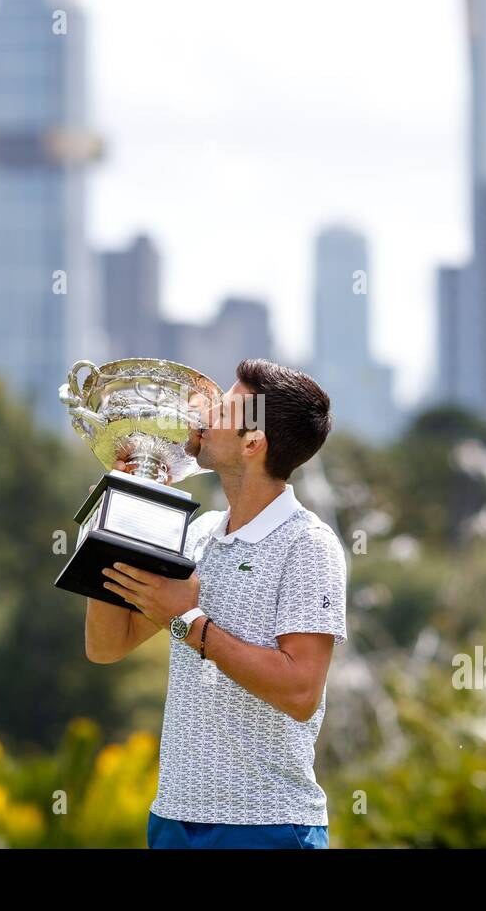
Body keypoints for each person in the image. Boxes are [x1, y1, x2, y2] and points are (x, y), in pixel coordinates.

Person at [83, 358, 348, 849]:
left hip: (267, 827)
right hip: (173, 820)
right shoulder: (199, 533)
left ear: (253, 443)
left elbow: (299, 691)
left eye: (221, 408)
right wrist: (123, 509)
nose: (200, 415)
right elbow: (106, 645)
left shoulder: (309, 546)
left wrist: (185, 621)